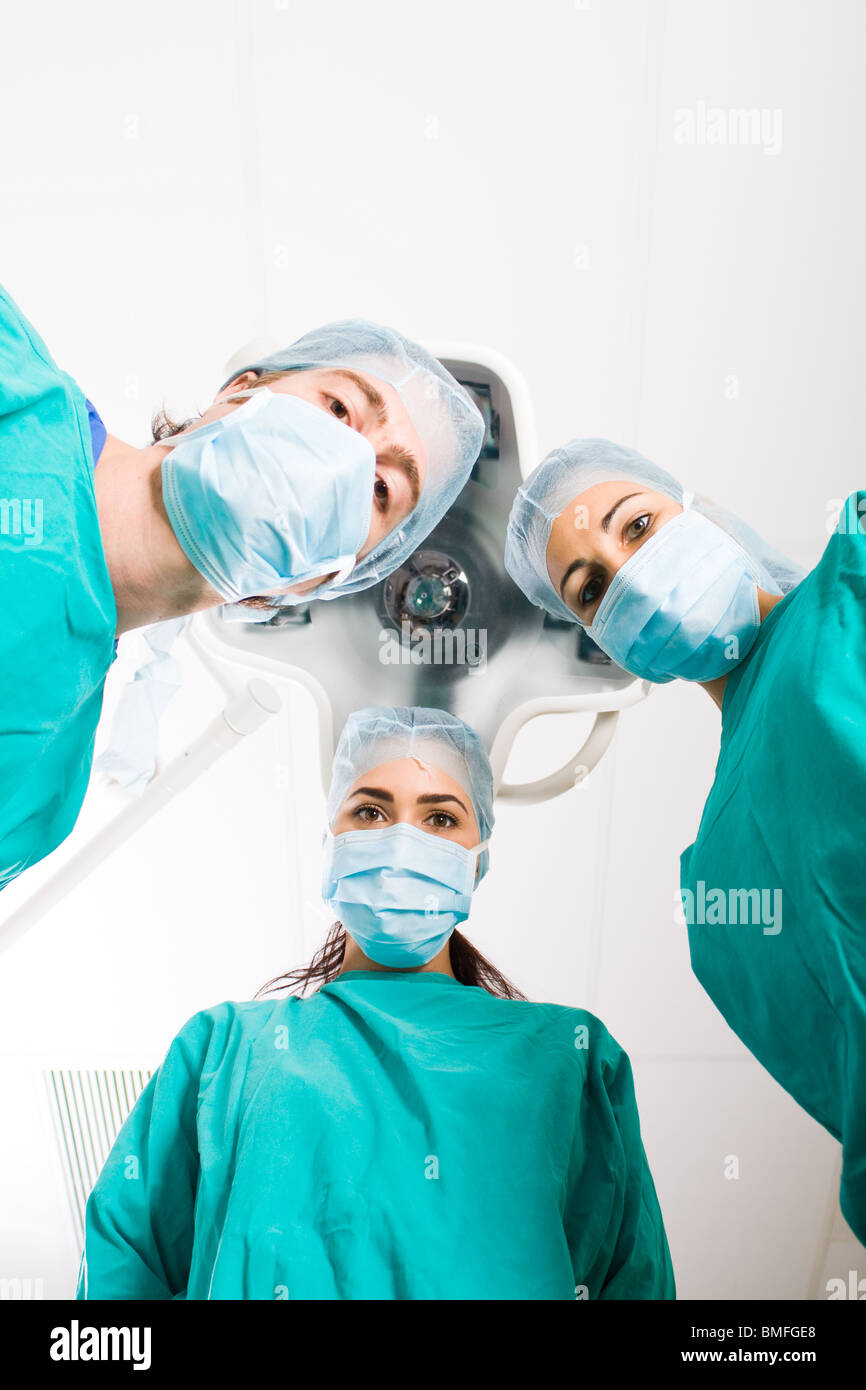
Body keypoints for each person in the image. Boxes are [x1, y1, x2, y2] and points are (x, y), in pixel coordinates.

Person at [76, 706, 675, 1300]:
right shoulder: (225, 1048)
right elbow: (121, 1274)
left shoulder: (567, 1058)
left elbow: (635, 1282)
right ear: (330, 843)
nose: (402, 841)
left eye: (440, 818)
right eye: (370, 811)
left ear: (478, 858)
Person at [0, 285, 483, 890]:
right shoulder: (10, 371)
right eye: (339, 410)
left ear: (323, 580)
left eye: (381, 490)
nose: (346, 461)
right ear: (242, 390)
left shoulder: (40, 792)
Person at [505, 437, 866, 1245]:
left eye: (636, 526)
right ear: (604, 648)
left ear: (703, 517)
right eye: (591, 588)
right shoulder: (716, 903)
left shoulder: (858, 568)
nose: (628, 574)